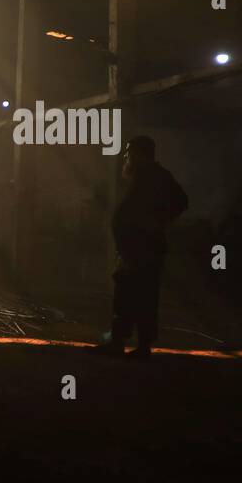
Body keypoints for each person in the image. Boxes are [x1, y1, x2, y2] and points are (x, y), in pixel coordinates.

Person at [95, 135, 188, 358]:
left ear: (138, 153)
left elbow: (181, 201)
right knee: (139, 295)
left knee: (132, 295)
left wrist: (156, 223)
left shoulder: (151, 176)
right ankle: (135, 345)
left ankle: (126, 344)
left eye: (129, 152)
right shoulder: (148, 176)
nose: (126, 156)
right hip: (138, 246)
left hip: (142, 248)